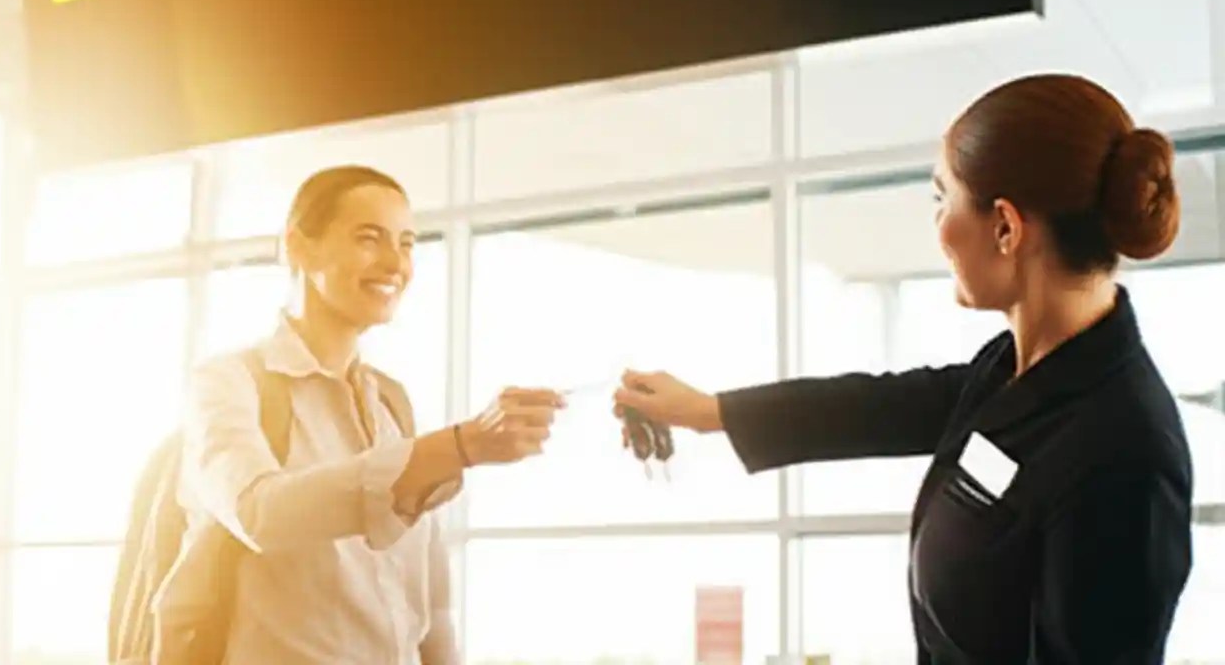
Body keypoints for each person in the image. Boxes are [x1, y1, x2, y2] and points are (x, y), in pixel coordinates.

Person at [613, 74, 1193, 664]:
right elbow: (883, 406)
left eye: (942, 199)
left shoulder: (1126, 454)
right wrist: (708, 412)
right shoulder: (1013, 368)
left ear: (1005, 228)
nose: (938, 230)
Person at [178, 165, 563, 664]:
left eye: (406, 244)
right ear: (297, 246)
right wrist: (458, 447)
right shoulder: (227, 381)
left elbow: (432, 604)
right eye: (369, 238)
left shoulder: (391, 402)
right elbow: (259, 513)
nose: (394, 264)